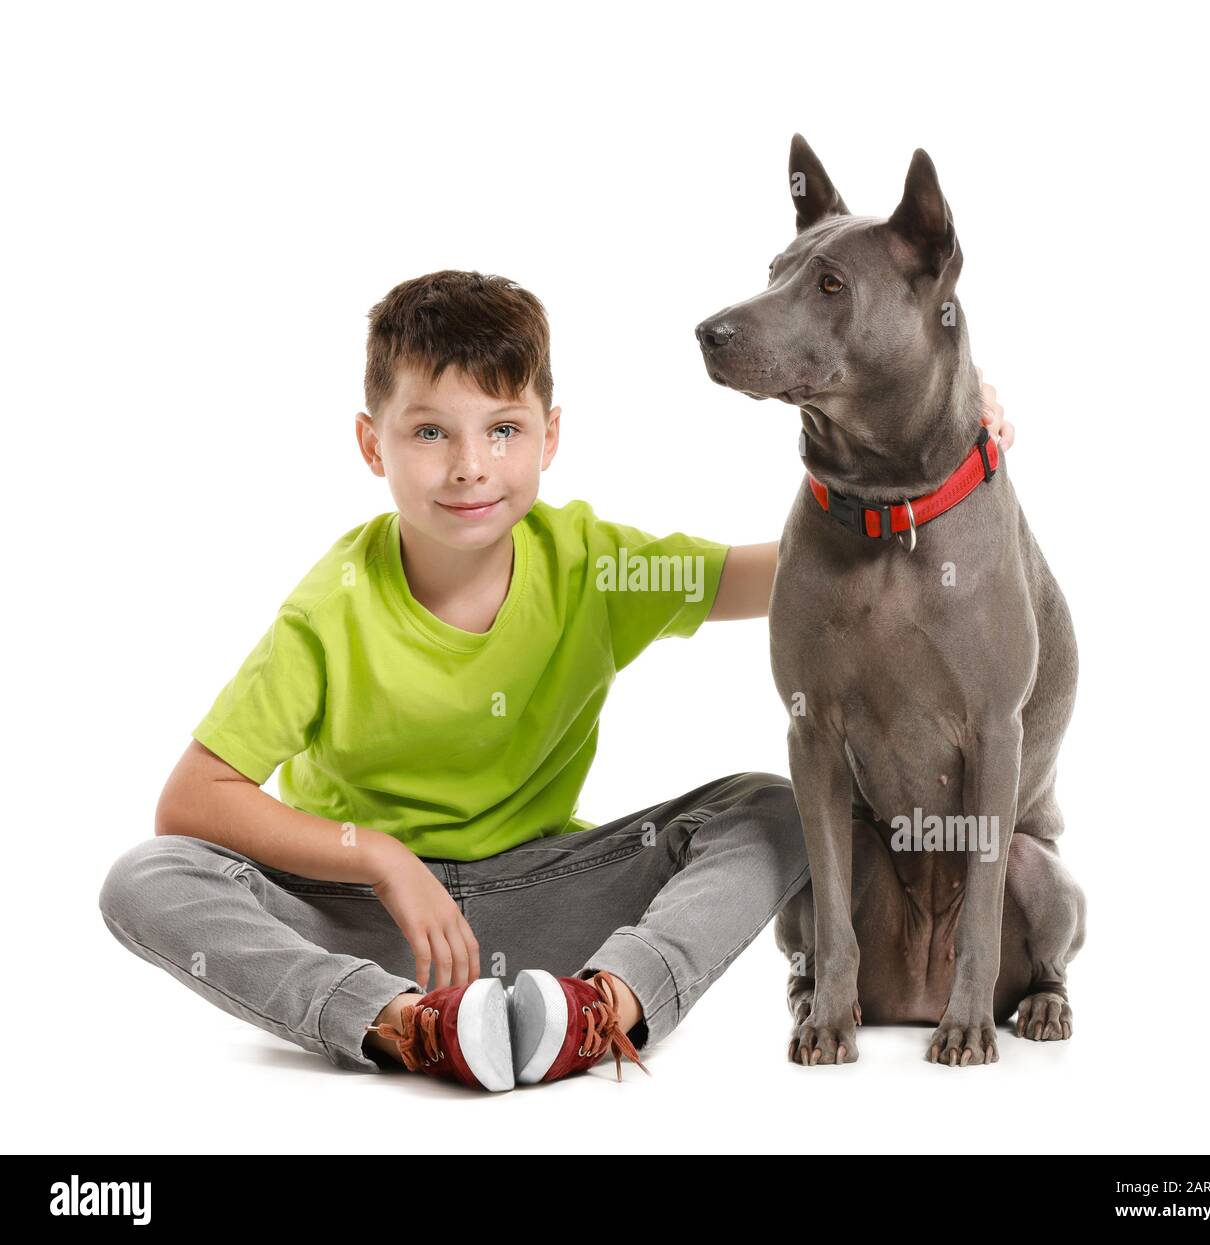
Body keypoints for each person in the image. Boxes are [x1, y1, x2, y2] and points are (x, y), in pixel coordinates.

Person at [98, 270, 1012, 1091]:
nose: (469, 466)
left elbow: (783, 572)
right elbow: (191, 798)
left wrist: (941, 456)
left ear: (550, 436)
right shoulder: (328, 610)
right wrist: (380, 858)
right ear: (372, 445)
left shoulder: (591, 565)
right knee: (148, 876)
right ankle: (400, 1024)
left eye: (503, 429)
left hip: (547, 900)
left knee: (771, 807)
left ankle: (604, 1006)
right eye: (429, 432)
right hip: (366, 919)